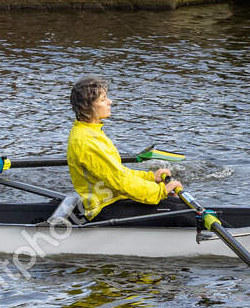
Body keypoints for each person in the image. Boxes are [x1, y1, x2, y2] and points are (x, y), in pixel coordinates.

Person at [66, 75, 190, 223]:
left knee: (179, 206)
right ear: (87, 107)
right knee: (182, 213)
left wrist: (151, 178)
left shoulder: (90, 131)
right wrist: (160, 191)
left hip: (112, 200)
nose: (110, 102)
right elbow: (119, 181)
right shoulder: (86, 142)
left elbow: (118, 173)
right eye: (103, 99)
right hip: (105, 209)